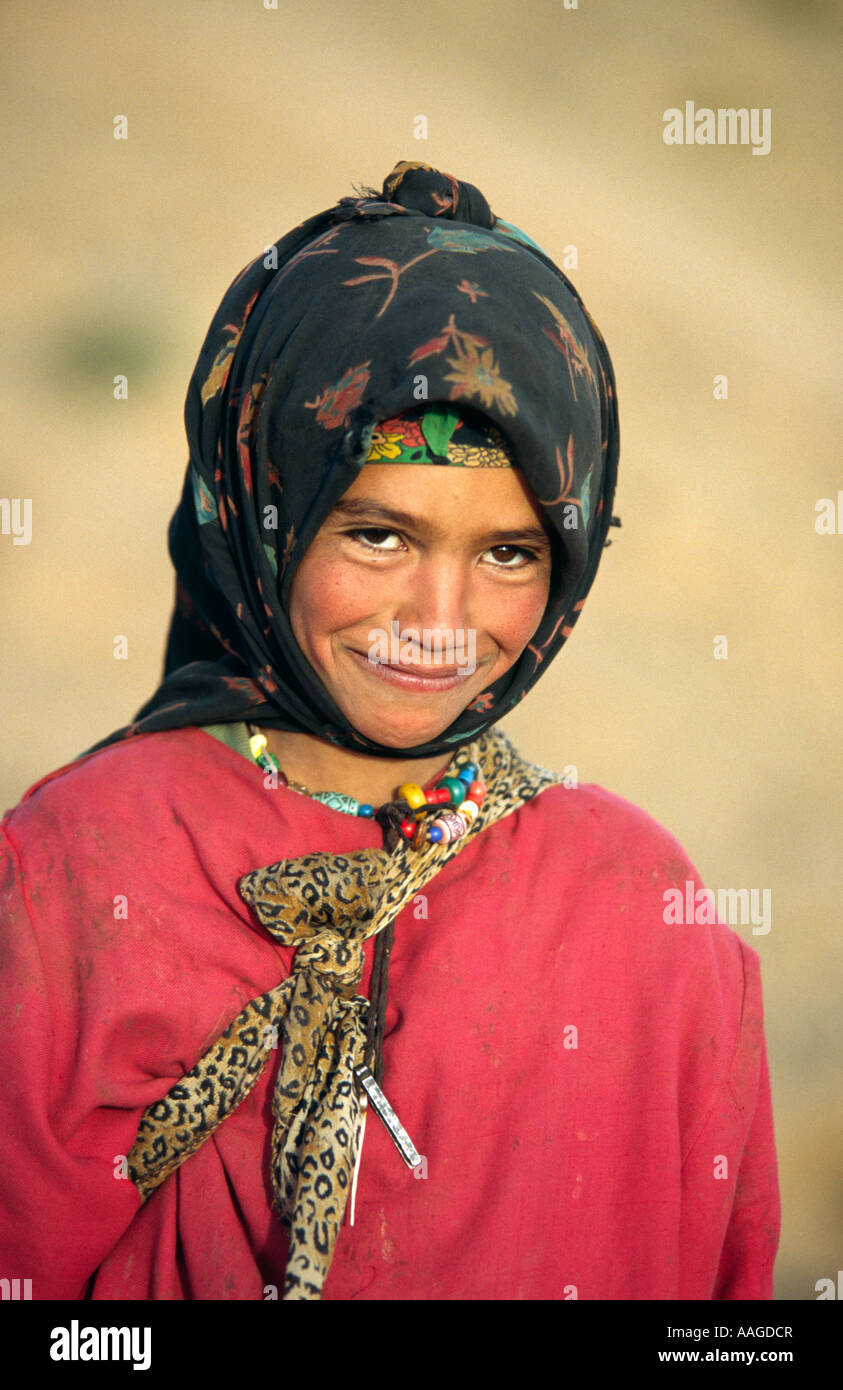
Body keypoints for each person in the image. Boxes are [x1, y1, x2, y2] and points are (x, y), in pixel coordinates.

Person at [0, 160, 779, 1301]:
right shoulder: (75, 872)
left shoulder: (648, 915)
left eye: (510, 553)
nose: (439, 623)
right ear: (262, 506)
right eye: (377, 534)